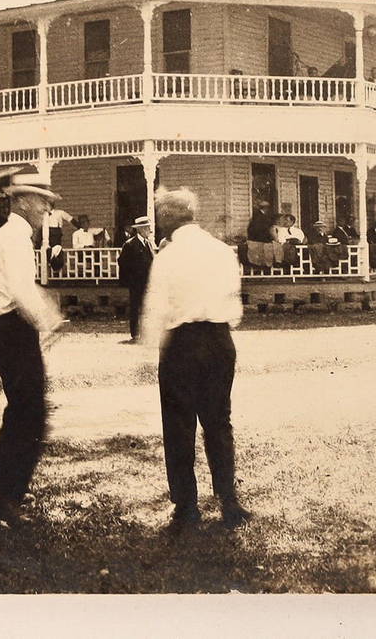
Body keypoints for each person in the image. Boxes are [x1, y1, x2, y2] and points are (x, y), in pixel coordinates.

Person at [140, 187, 253, 531]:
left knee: (179, 425)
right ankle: (229, 503)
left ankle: (186, 506)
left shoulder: (167, 258)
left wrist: (151, 346)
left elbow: (156, 307)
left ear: (168, 218)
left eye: (161, 216)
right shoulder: (221, 251)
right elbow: (234, 300)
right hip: (219, 340)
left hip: (182, 344)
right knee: (219, 421)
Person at [0, 167, 67, 527]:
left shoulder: (13, 236)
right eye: (42, 201)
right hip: (13, 329)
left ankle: (5, 492)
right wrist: (48, 320)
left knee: (24, 414)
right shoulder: (14, 238)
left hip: (12, 329)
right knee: (29, 415)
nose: (47, 209)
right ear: (24, 201)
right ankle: (4, 499)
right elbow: (21, 291)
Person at [118, 215, 156, 343]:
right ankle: (135, 333)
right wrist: (131, 279)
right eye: (147, 228)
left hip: (147, 282)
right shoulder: (130, 244)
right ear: (140, 229)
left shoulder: (148, 243)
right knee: (135, 308)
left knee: (147, 307)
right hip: (136, 283)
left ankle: (146, 333)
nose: (149, 231)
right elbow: (122, 262)